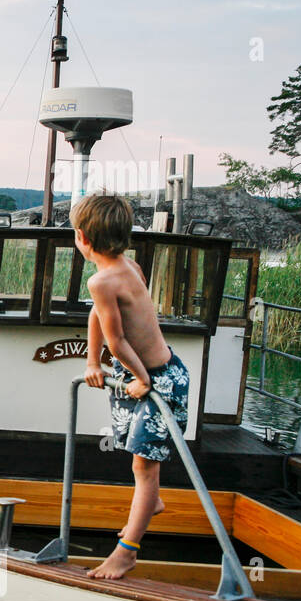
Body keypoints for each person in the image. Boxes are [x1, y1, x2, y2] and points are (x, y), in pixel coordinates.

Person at [75, 193, 189, 580]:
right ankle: (151, 502)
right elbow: (98, 317)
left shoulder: (101, 279)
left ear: (82, 238)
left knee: (144, 467)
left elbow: (118, 342)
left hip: (159, 380)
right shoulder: (127, 268)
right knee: (136, 456)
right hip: (144, 374)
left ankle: (127, 552)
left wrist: (141, 378)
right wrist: (91, 362)